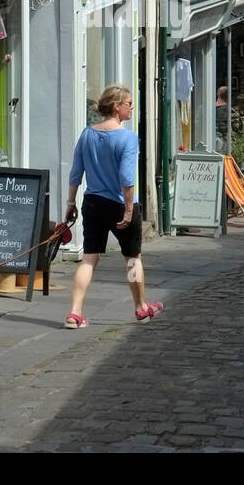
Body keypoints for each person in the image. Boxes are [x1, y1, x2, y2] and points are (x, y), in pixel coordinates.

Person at [62, 84, 162, 328]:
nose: (131, 107)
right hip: (119, 204)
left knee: (89, 258)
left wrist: (70, 202)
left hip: (93, 202)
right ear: (116, 106)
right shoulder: (127, 138)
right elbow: (127, 179)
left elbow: (76, 172)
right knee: (132, 258)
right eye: (129, 103)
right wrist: (129, 210)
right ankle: (140, 307)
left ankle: (74, 313)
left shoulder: (87, 134)